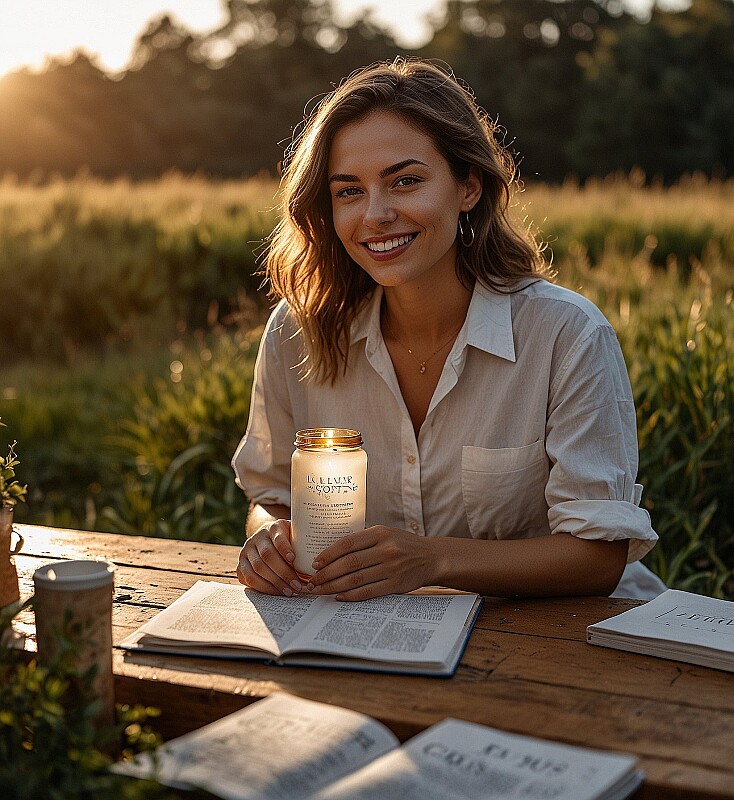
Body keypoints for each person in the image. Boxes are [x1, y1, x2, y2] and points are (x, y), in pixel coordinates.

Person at [233, 57, 666, 602]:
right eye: (348, 191)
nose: (376, 214)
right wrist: (270, 540)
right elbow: (271, 496)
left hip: (561, 638)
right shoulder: (297, 332)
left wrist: (431, 558)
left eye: (406, 181)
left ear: (469, 186)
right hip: (372, 633)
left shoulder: (566, 334)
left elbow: (598, 557)